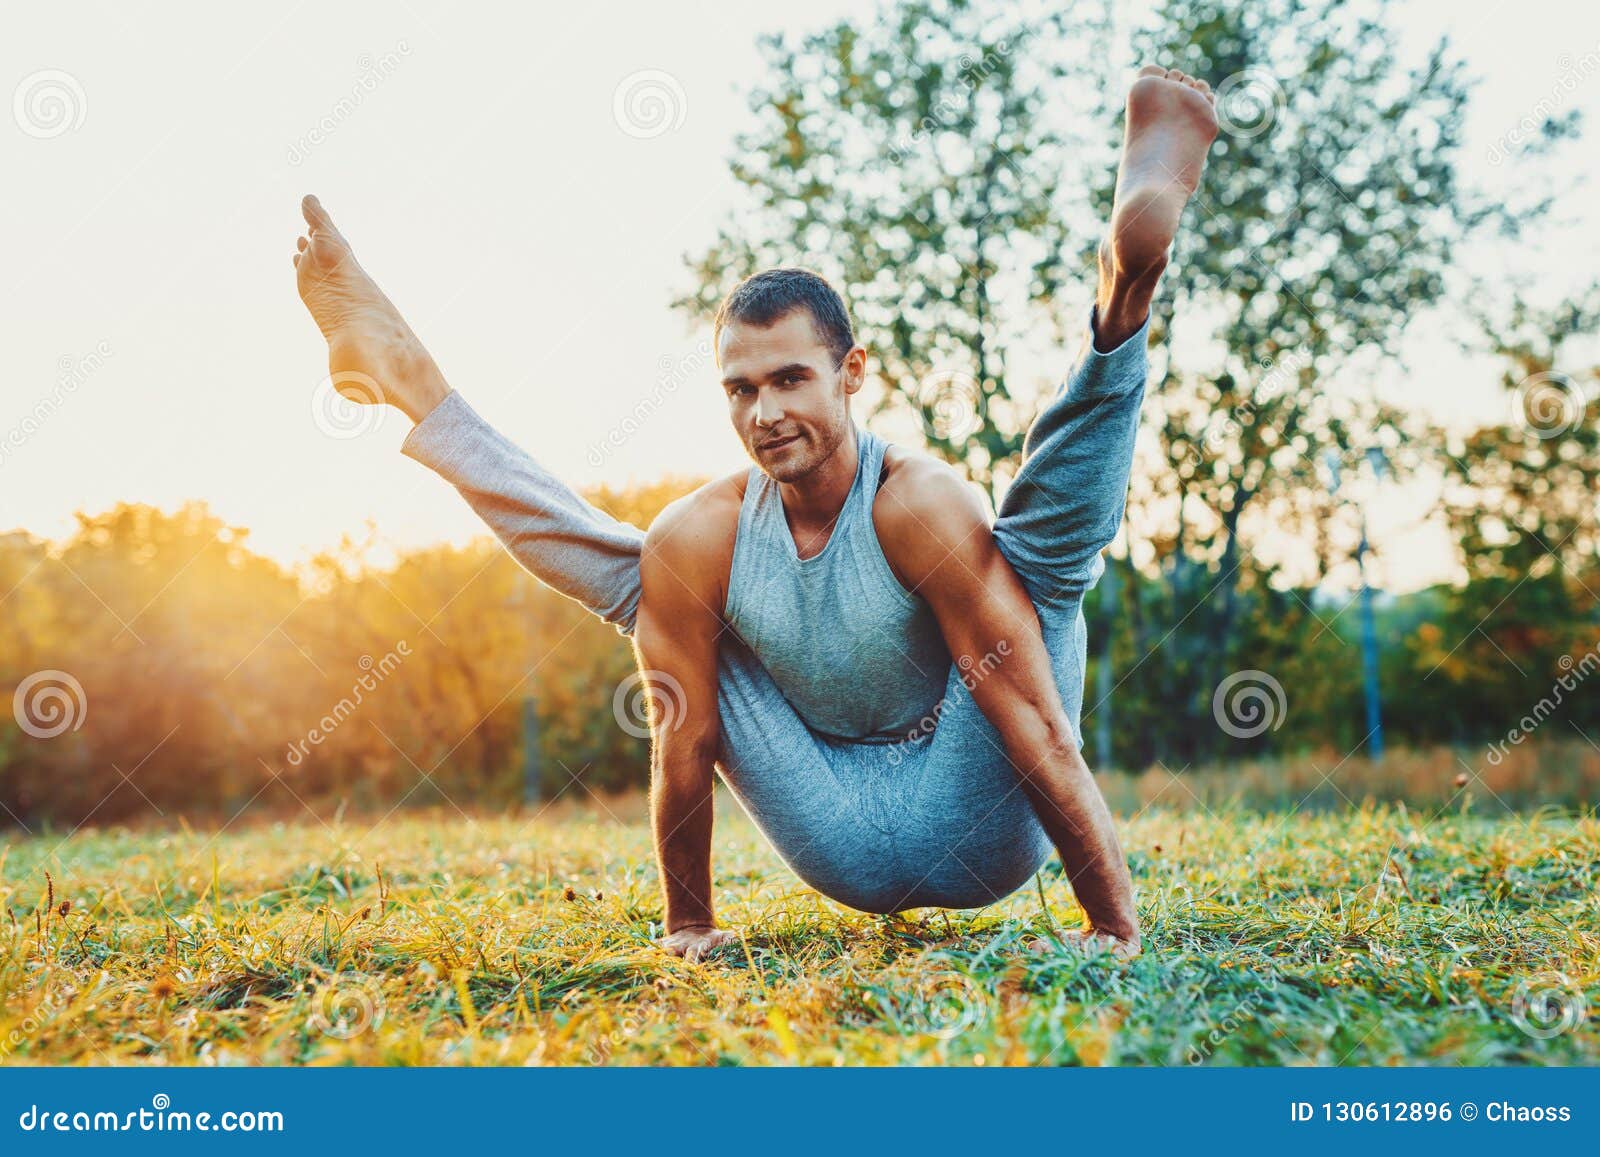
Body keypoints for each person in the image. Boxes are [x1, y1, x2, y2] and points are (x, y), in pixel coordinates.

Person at [292, 66, 1220, 962]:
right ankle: (410, 380)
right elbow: (682, 735)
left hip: (979, 821)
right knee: (659, 578)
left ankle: (1122, 298)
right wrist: (687, 923)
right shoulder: (705, 531)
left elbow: (1030, 716)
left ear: (851, 373)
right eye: (740, 389)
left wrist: (1110, 920)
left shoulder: (916, 502)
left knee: (1034, 571)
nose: (765, 411)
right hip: (837, 835)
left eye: (789, 378)